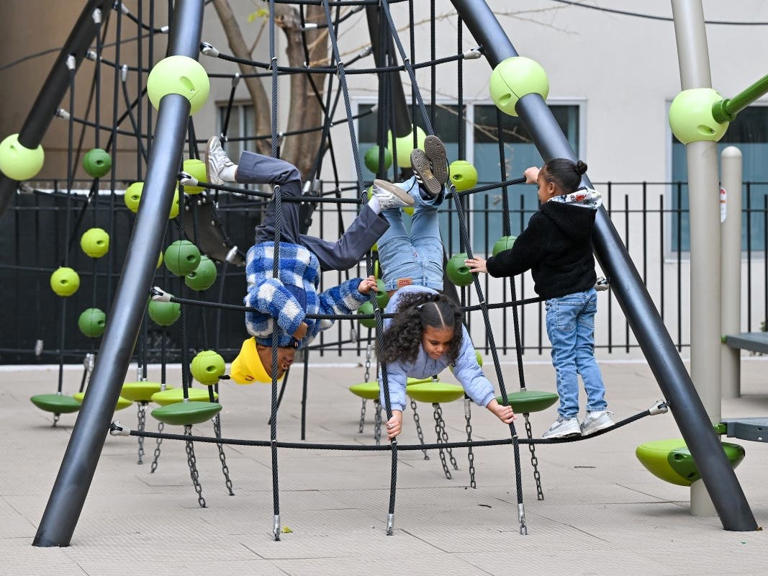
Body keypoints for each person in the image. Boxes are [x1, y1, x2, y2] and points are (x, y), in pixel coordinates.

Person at [206, 136, 411, 383]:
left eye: (273, 368)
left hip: (275, 247)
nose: (283, 367)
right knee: (344, 256)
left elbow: (266, 292)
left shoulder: (260, 328)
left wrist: (294, 322)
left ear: (259, 351)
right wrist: (357, 292)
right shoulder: (305, 336)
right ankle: (378, 202)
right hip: (302, 257)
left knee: (289, 177)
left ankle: (226, 171)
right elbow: (326, 307)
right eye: (281, 372)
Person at [374, 135, 516, 439]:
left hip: (404, 274)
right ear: (417, 329)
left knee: (387, 215)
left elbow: (467, 370)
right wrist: (395, 412)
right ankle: (424, 189)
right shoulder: (408, 338)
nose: (440, 350)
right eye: (436, 343)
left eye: (442, 344)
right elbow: (393, 378)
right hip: (428, 274)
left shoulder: (444, 337)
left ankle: (400, 193)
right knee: (424, 213)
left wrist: (493, 404)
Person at [465, 158, 613, 439]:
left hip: (562, 300)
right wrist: (539, 176)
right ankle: (598, 411)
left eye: (540, 188)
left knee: (565, 358)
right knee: (584, 354)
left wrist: (490, 265)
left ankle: (568, 416)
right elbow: (559, 208)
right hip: (586, 293)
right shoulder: (585, 208)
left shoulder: (544, 221)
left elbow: (521, 256)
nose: (537, 193)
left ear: (552, 188)